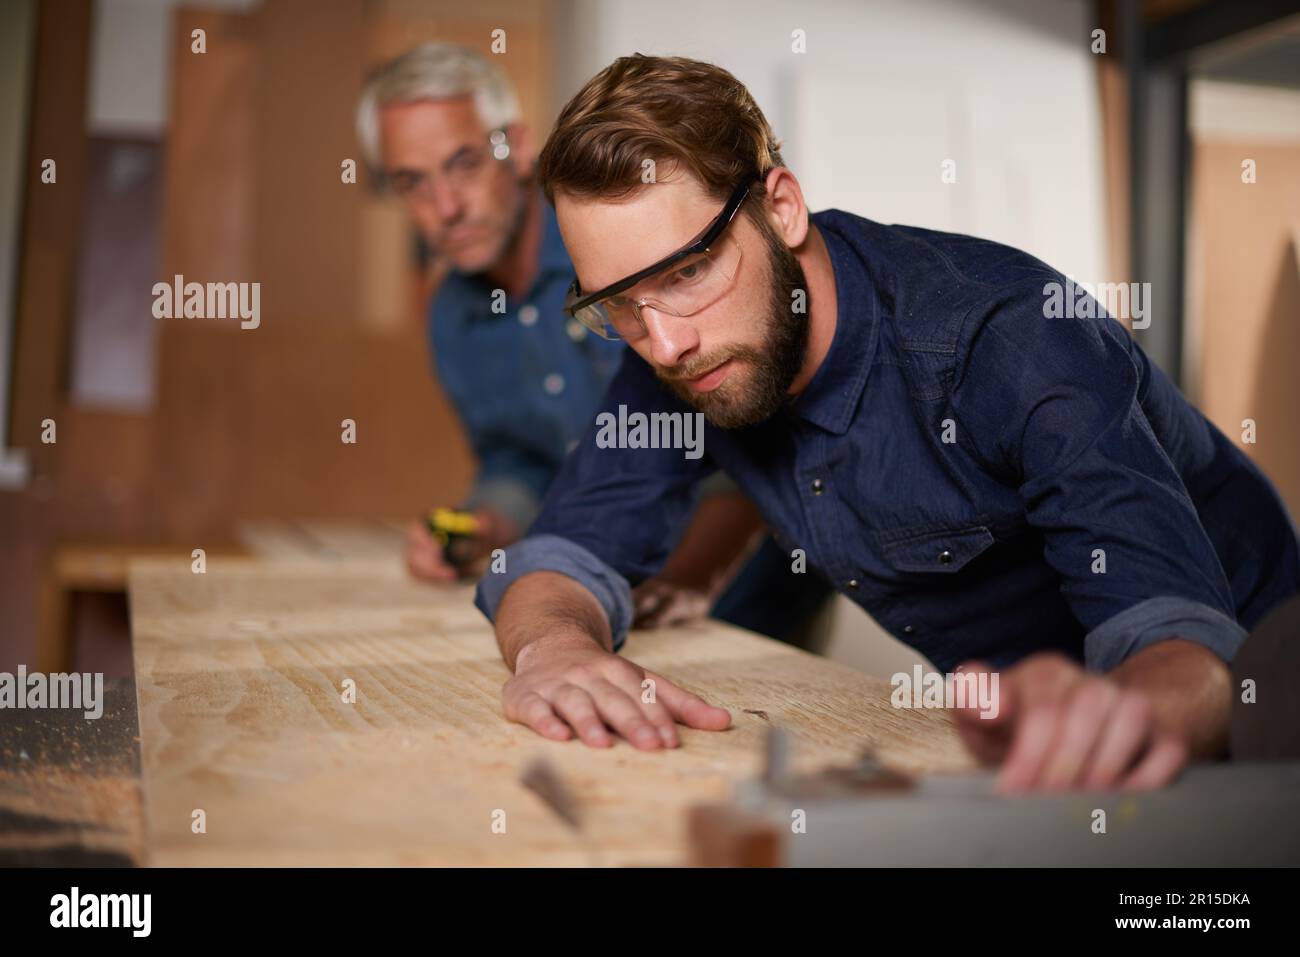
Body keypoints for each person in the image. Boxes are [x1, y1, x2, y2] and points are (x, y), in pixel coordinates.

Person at [474, 54, 1300, 792]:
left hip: (1255, 716)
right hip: (1034, 763)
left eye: (689, 271)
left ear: (782, 207)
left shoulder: (1010, 337)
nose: (665, 342)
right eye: (619, 301)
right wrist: (556, 650)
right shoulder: (675, 344)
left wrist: (1119, 710)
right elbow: (561, 554)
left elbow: (1180, 637)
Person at [356, 45, 830, 637]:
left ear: (517, 146)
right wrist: (487, 525)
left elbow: (754, 435)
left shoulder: (625, 245)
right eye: (412, 182)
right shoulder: (451, 317)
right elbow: (518, 460)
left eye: (464, 164)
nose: (445, 208)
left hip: (750, 587)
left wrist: (684, 581)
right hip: (594, 592)